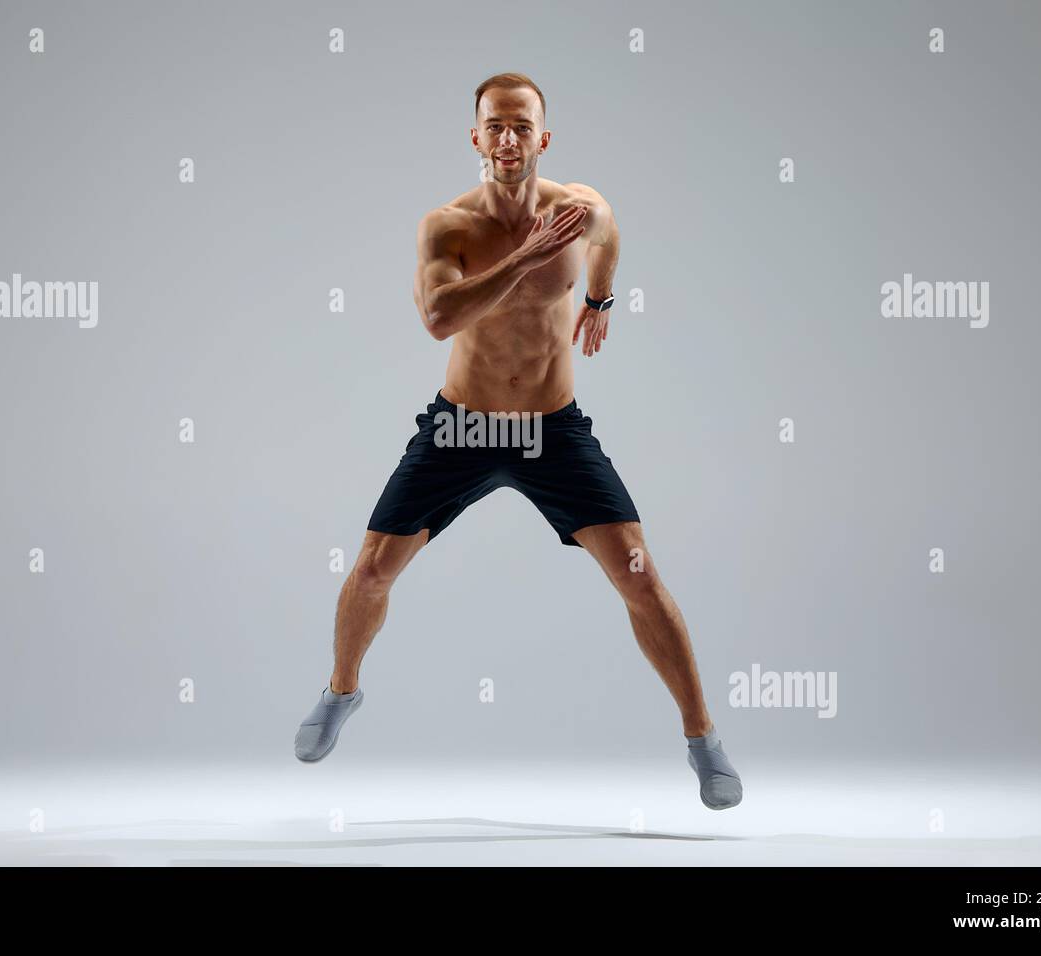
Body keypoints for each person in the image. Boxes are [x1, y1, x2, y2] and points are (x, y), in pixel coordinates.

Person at [294, 72, 741, 810]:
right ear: (475, 137)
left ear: (544, 138)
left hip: (551, 430)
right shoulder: (447, 227)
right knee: (372, 568)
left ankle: (704, 740)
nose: (508, 139)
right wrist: (526, 260)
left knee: (637, 574)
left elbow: (610, 236)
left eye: (521, 126)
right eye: (495, 126)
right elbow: (439, 318)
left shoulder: (580, 209)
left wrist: (599, 296)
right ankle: (342, 690)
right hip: (462, 426)